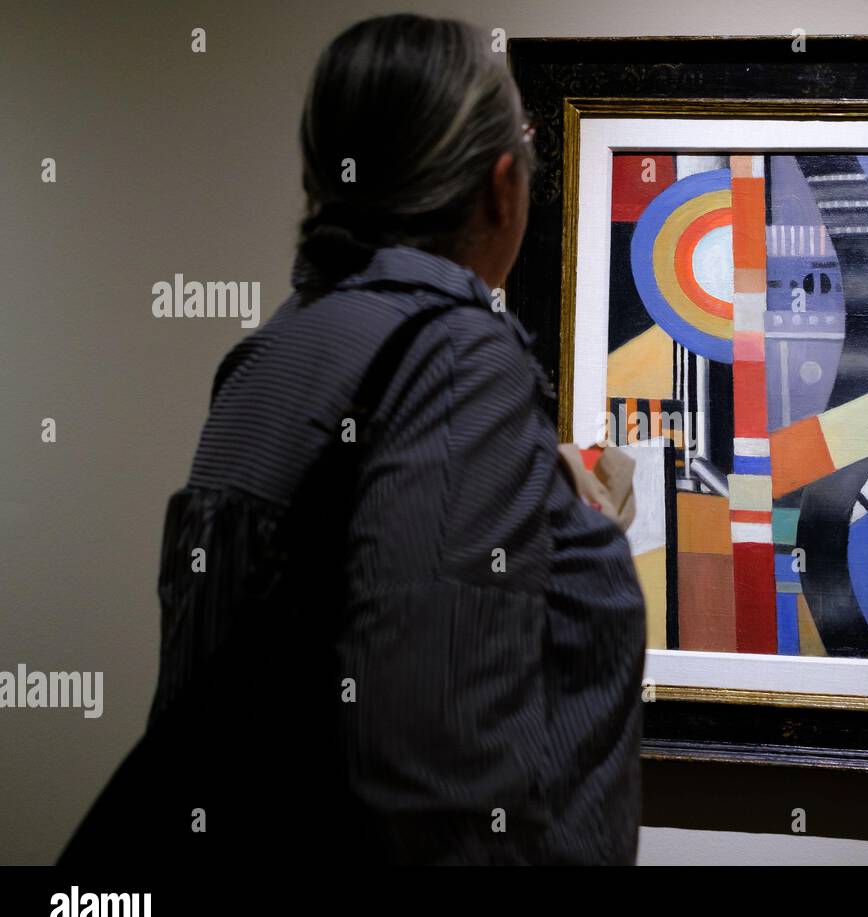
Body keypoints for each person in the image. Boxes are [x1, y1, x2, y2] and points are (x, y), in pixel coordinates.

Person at [60, 14, 646, 865]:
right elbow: (436, 777)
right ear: (500, 185)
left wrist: (548, 514)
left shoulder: (272, 353)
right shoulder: (459, 362)